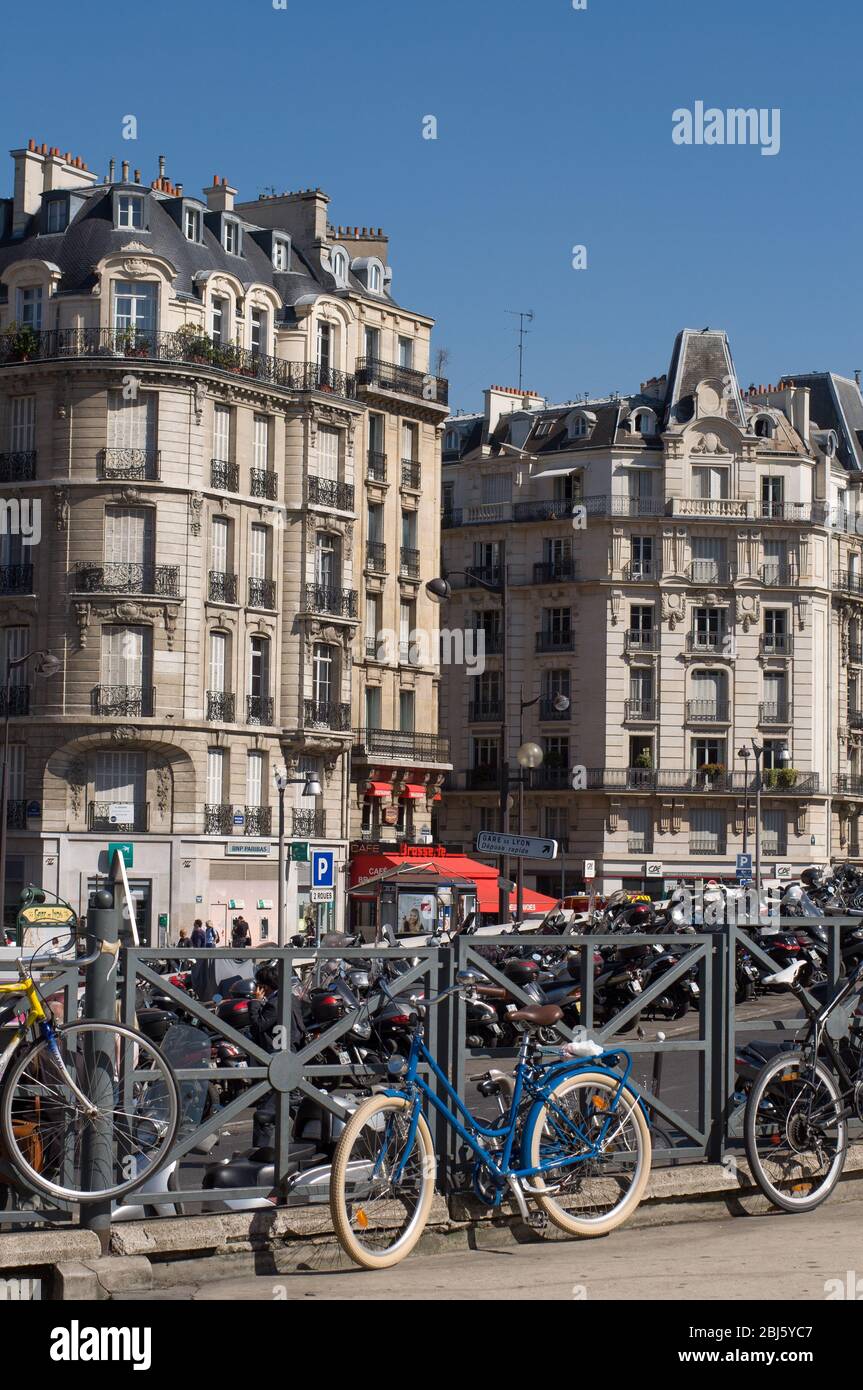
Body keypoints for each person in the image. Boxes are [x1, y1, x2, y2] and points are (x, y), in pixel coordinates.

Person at [247, 963, 307, 1155]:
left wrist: (255, 1003)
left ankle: (259, 1153)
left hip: (278, 1063)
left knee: (264, 1113)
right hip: (293, 1059)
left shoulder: (274, 1003)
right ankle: (296, 1146)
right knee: (291, 1105)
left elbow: (258, 1026)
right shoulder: (291, 999)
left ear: (264, 986)